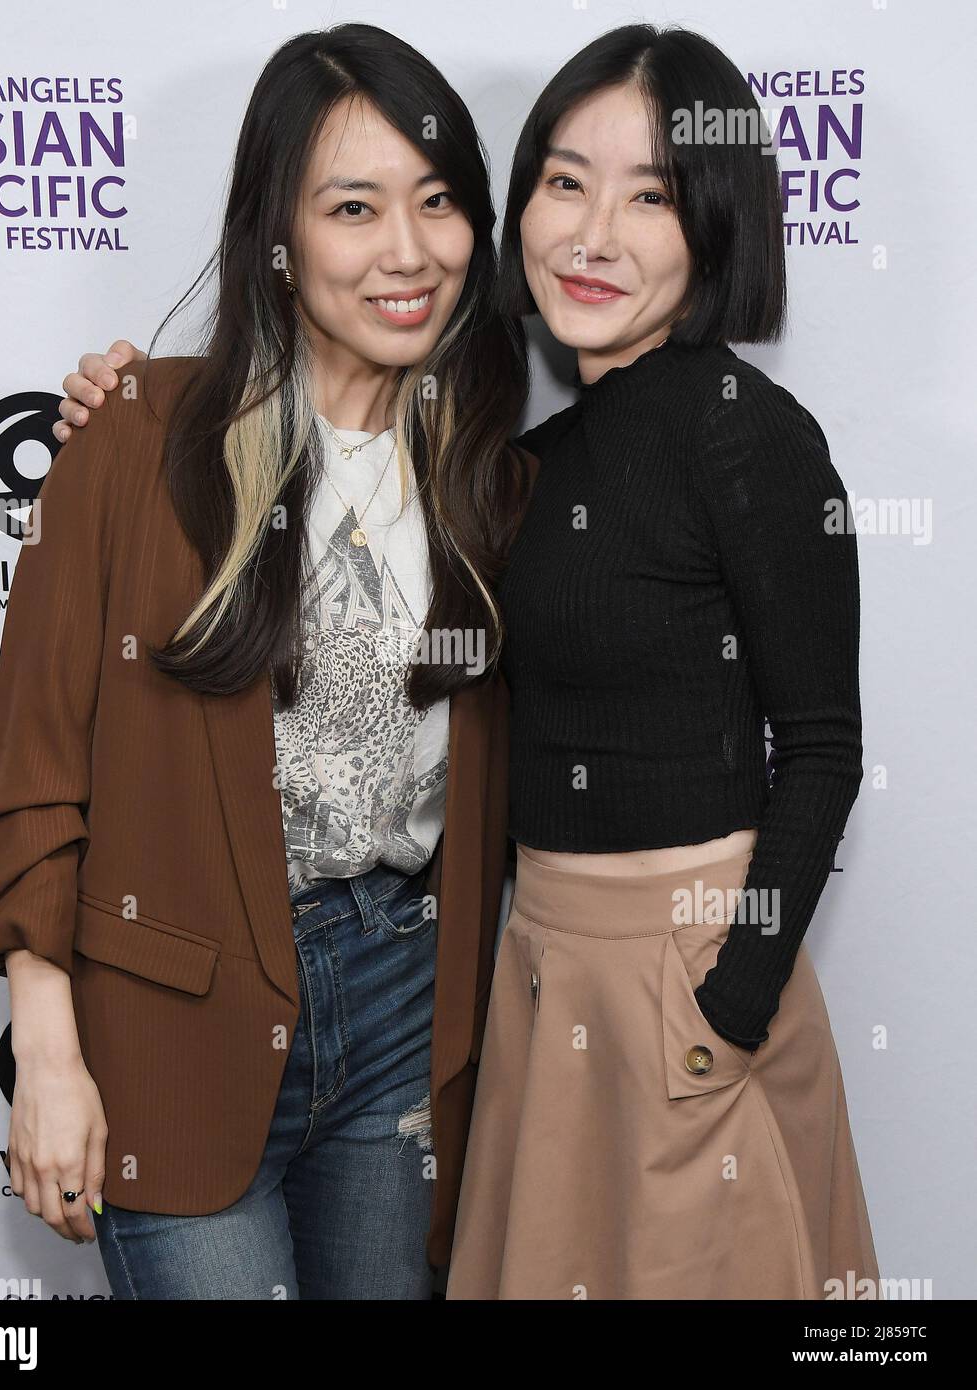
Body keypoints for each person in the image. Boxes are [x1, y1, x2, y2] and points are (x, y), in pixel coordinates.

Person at [0, 23, 531, 1301]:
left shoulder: (497, 485)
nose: (408, 251)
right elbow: (37, 773)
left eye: (438, 201)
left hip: (404, 1010)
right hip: (176, 1013)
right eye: (353, 208)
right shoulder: (135, 435)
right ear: (276, 236)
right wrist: (45, 1052)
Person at [445, 24, 879, 1299]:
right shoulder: (529, 459)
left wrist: (726, 1006)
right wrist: (136, 404)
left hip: (689, 991)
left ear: (713, 227)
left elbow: (821, 750)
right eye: (564, 182)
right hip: (544, 973)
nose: (591, 235)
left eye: (649, 196)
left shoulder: (747, 435)